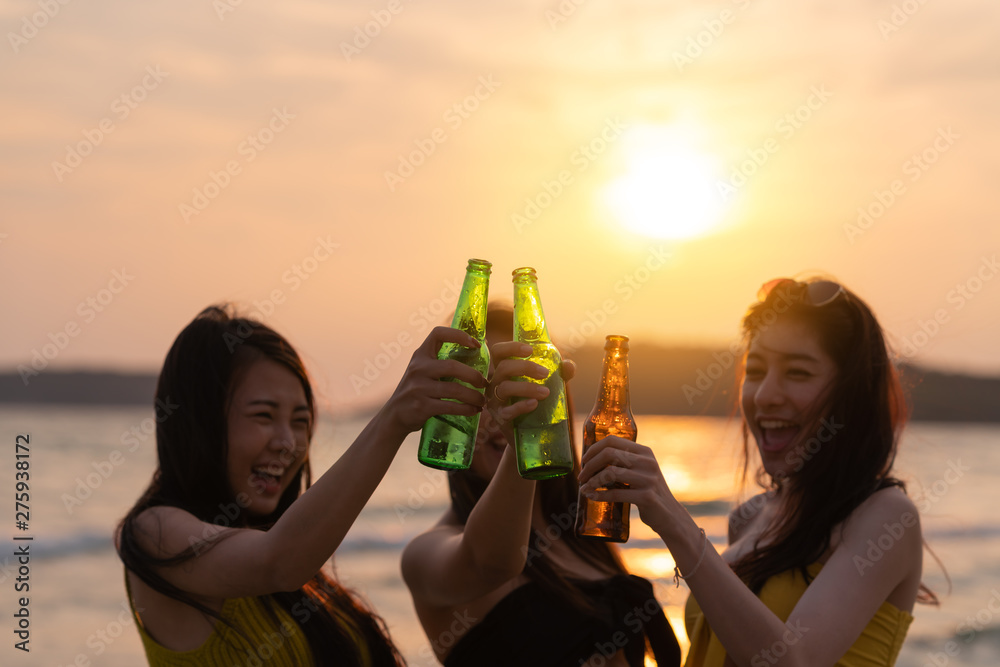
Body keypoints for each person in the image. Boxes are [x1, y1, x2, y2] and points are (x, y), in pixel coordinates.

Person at [578, 278, 938, 666]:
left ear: (853, 395)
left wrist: (674, 521)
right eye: (756, 370)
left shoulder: (886, 517)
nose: (765, 395)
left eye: (797, 373)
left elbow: (794, 660)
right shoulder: (747, 520)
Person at [116, 304, 489, 666]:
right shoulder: (155, 532)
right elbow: (278, 563)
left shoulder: (289, 553)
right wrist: (393, 420)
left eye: (299, 421)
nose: (288, 442)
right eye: (264, 415)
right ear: (200, 423)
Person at [401, 302, 682, 667]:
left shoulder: (582, 536)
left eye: (524, 387)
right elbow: (489, 562)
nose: (506, 406)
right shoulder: (426, 555)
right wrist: (523, 445)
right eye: (485, 389)